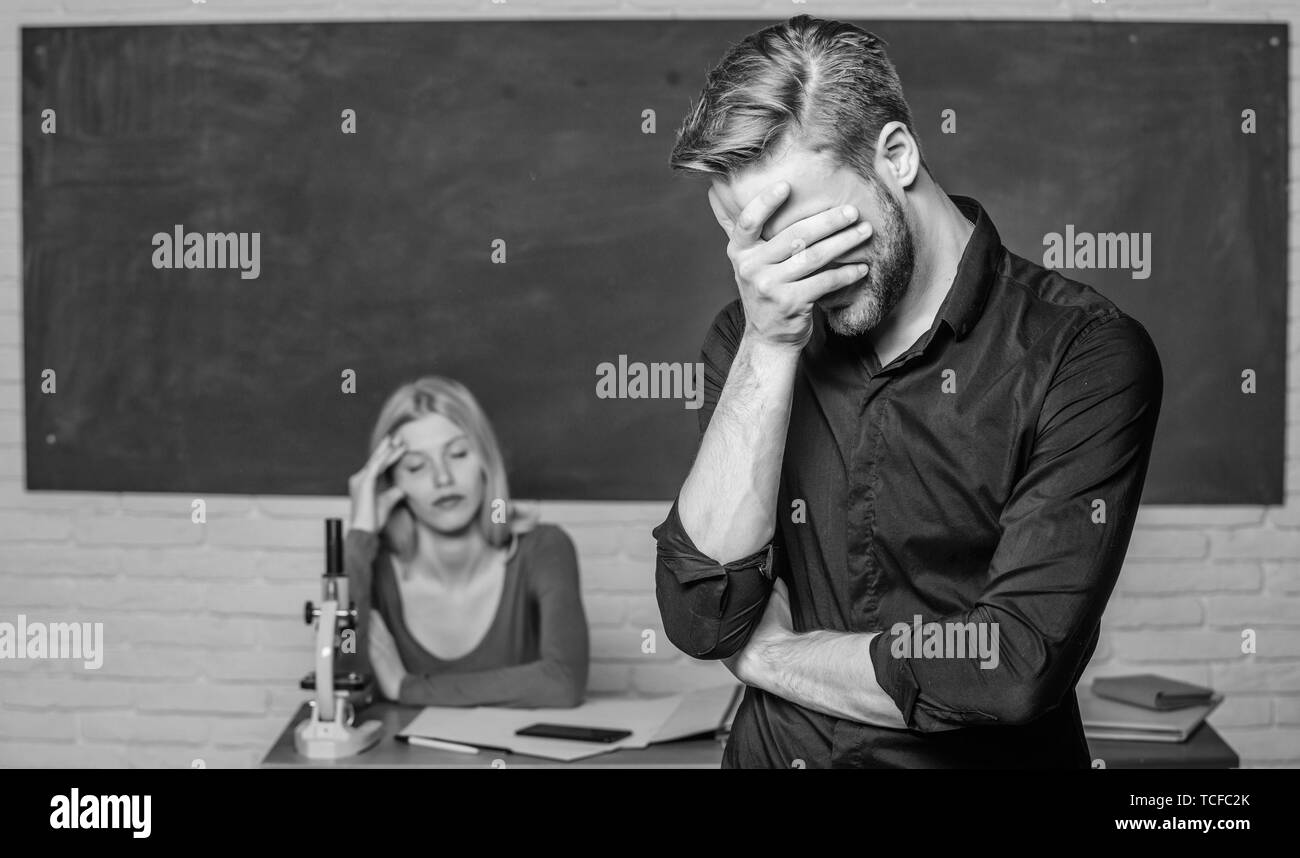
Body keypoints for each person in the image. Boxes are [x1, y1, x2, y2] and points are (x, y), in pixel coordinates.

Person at [654, 15, 1163, 767]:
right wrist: (769, 346)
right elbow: (704, 617)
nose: (786, 271)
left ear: (895, 156)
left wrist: (772, 658)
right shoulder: (752, 334)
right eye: (752, 241)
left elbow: (1011, 667)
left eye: (808, 233)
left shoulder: (1083, 354)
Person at [343, 376, 588, 708]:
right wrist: (360, 534)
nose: (443, 478)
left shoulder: (545, 549)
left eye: (458, 454)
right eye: (416, 466)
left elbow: (563, 684)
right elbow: (344, 685)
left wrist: (406, 687)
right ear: (392, 484)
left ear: (485, 461)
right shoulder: (373, 569)